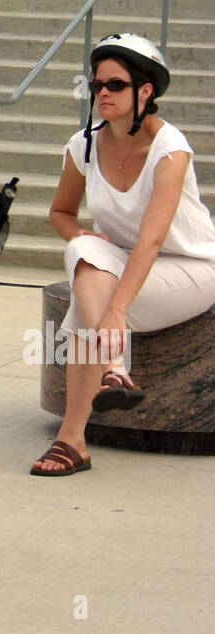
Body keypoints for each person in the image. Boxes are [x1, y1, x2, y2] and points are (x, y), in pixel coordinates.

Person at [31, 33, 215, 476]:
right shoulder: (85, 145)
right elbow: (60, 214)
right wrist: (86, 235)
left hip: (192, 269)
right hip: (125, 261)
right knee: (80, 248)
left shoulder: (170, 148)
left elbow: (152, 239)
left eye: (115, 85)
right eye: (97, 86)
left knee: (85, 300)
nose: (103, 94)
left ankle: (73, 437)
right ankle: (109, 376)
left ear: (145, 90)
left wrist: (117, 311)